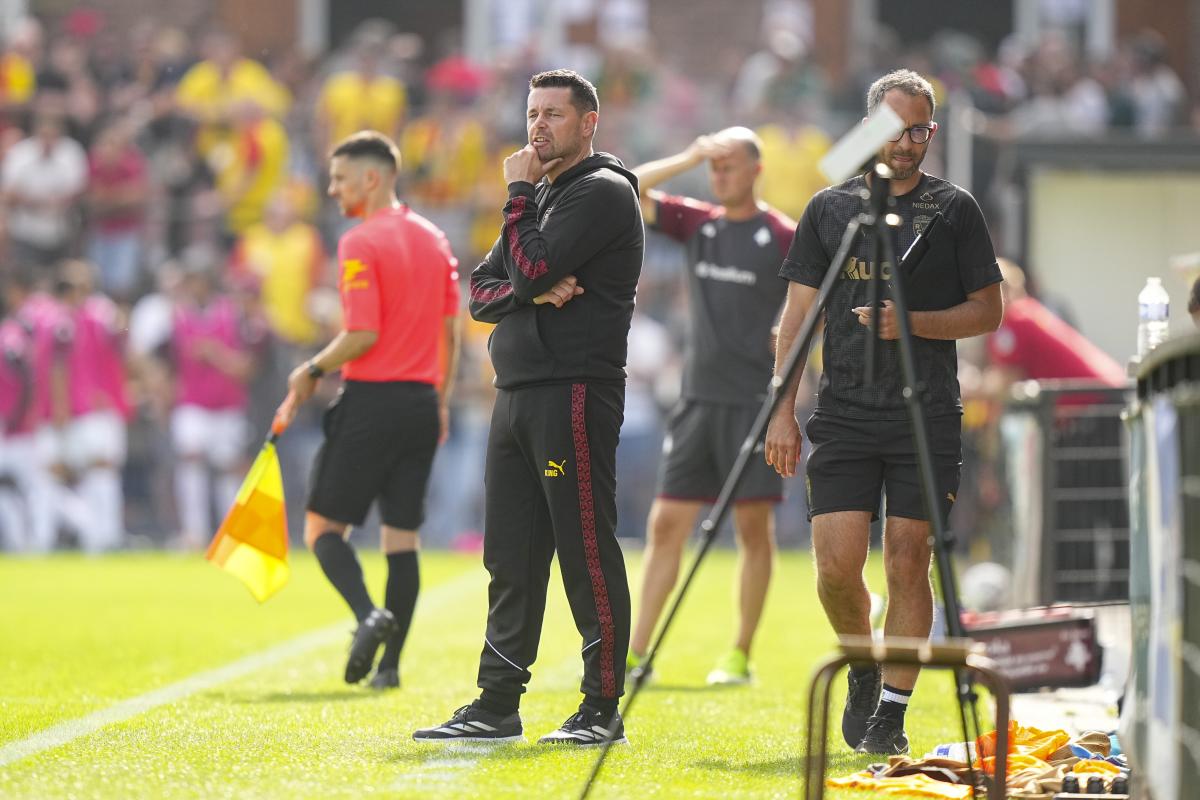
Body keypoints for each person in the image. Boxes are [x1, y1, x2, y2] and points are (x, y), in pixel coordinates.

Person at [764, 69, 1004, 755]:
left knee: (908, 558)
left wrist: (913, 324)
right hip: (842, 410)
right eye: (898, 129)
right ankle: (862, 665)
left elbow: (988, 310)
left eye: (922, 129)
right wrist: (781, 408)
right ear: (872, 129)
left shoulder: (955, 209)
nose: (910, 143)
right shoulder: (829, 210)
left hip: (926, 412)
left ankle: (892, 715)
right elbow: (797, 317)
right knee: (836, 570)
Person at [413, 69, 643, 746]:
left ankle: (601, 709)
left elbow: (528, 272)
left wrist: (519, 218)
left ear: (588, 123)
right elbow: (482, 293)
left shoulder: (598, 192)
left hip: (572, 388)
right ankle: (497, 703)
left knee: (584, 549)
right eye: (532, 113)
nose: (537, 126)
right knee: (509, 556)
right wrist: (527, 286)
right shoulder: (543, 198)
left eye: (553, 115)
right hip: (516, 394)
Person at [278, 131, 462, 691]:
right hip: (421, 404)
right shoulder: (435, 239)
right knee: (401, 536)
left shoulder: (360, 241)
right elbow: (449, 331)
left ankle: (366, 615)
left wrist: (309, 371)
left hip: (373, 401)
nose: (331, 189)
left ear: (371, 178)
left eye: (338, 178)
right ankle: (390, 668)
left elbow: (362, 333)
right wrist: (442, 400)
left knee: (321, 530)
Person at [626, 127, 795, 685]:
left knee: (752, 533)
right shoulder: (699, 222)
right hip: (696, 402)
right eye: (714, 168)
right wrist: (690, 152)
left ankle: (740, 654)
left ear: (756, 170)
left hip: (751, 404)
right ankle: (637, 653)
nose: (719, 176)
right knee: (665, 525)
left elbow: (805, 317)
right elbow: (629, 186)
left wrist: (785, 403)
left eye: (728, 166)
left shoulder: (783, 235)